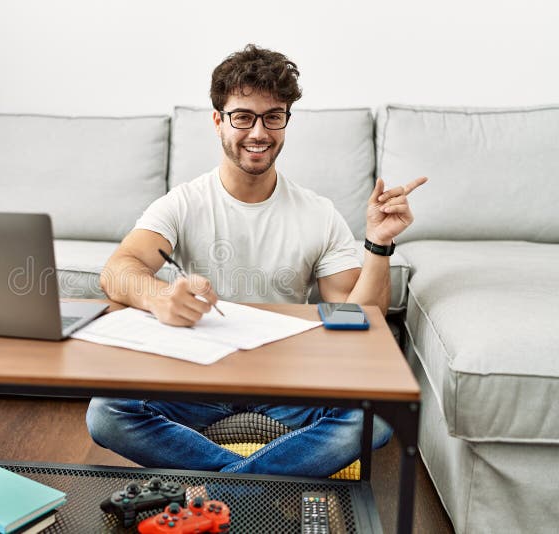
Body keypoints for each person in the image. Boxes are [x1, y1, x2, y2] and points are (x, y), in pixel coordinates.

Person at [85, 44, 427, 477]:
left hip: (290, 382)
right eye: (243, 117)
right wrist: (159, 296)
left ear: (286, 122)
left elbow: (361, 314)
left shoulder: (317, 213)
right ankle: (259, 487)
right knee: (106, 414)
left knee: (374, 419)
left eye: (273, 117)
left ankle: (230, 489)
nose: (259, 132)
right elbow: (119, 269)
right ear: (218, 121)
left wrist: (377, 243)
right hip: (198, 378)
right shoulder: (186, 203)